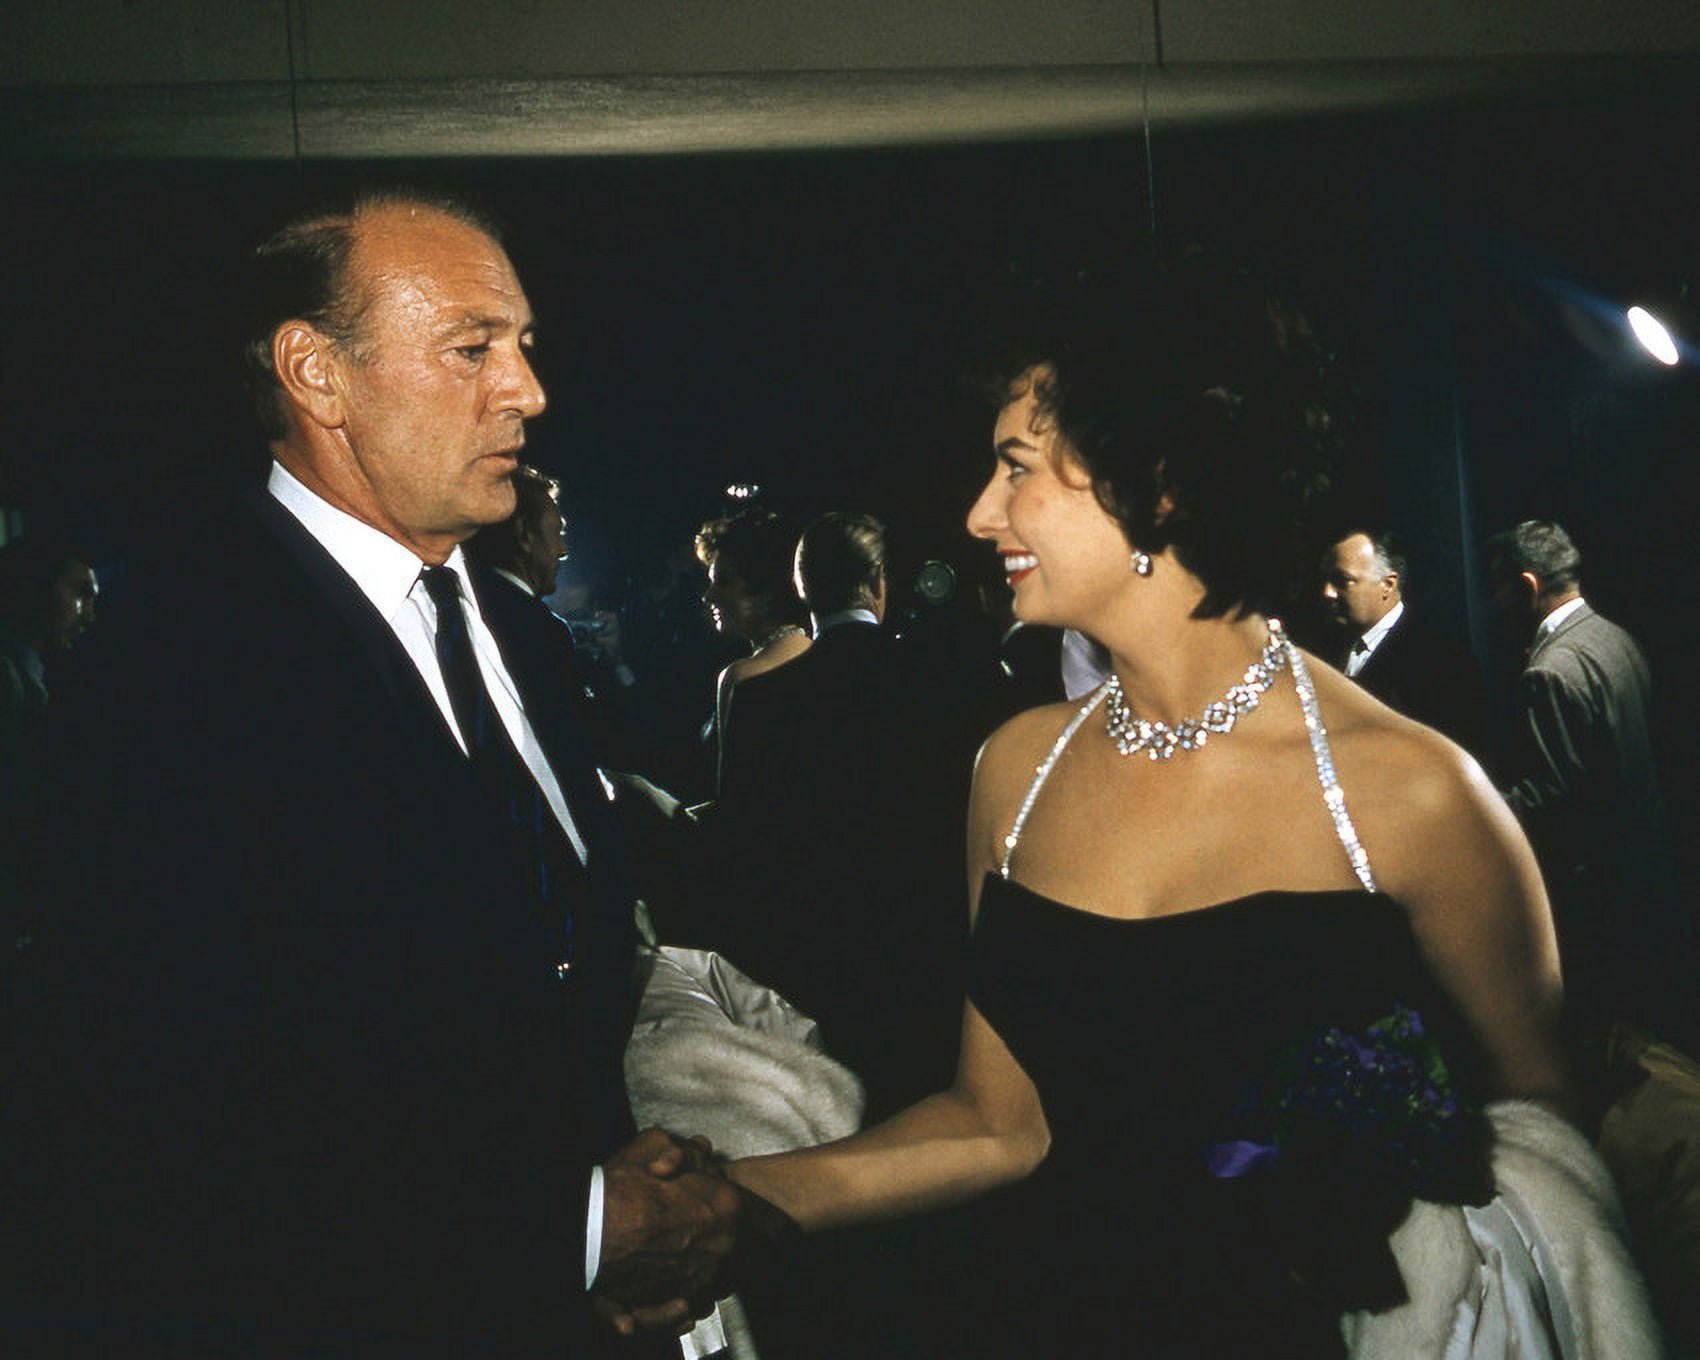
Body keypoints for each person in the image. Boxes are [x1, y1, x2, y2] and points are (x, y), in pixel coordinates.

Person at [721, 256, 1620, 1358]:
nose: (973, 514)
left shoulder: (1410, 792)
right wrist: (731, 1202)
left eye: (1014, 469)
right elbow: (995, 1121)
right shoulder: (1014, 769)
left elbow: (1539, 1134)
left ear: (1154, 486)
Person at [0, 190, 764, 1355]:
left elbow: (545, 988)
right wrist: (578, 1227)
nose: (527, 390)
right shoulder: (168, 675)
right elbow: (169, 1119)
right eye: (472, 349)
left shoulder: (524, 644)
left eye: (523, 347)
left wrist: (616, 1217)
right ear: (317, 375)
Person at [1486, 520, 1695, 1059]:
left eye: (1499, 587)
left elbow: (1553, 800)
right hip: (1653, 881)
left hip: (1598, 904)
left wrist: (1482, 810)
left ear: (1529, 586)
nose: (1495, 602)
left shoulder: (1549, 670)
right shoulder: (1618, 638)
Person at [1322, 528, 1487, 755]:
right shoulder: (1328, 650)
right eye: (1327, 580)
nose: (1327, 592)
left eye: (1343, 581)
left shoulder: (1440, 659)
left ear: (1388, 585)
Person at [694, 506, 811, 792]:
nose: (708, 595)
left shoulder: (741, 676)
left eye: (723, 582)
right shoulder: (817, 653)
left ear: (766, 588)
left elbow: (734, 810)